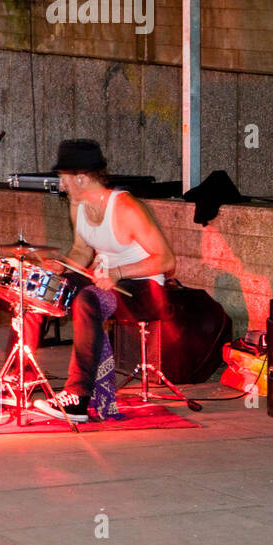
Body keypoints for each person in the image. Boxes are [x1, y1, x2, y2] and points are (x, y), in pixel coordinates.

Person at [14, 140, 176, 423]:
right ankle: (19, 380)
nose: (60, 185)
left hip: (144, 287)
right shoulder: (78, 205)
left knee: (86, 299)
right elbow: (82, 250)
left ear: (81, 177)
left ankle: (78, 398)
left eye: (63, 178)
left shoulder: (125, 207)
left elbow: (166, 260)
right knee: (40, 287)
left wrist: (119, 273)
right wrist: (60, 267)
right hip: (106, 279)